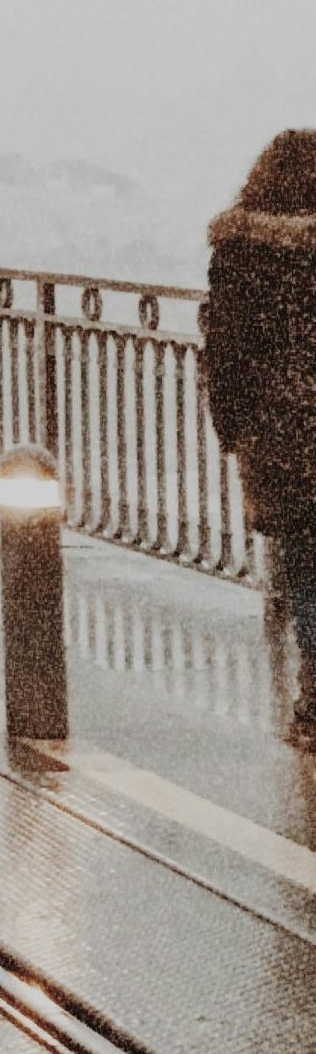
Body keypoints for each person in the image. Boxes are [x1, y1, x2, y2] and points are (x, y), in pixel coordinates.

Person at [203, 133, 316, 744]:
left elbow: (225, 351)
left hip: (279, 438)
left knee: (304, 562)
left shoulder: (240, 252)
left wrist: (234, 427)